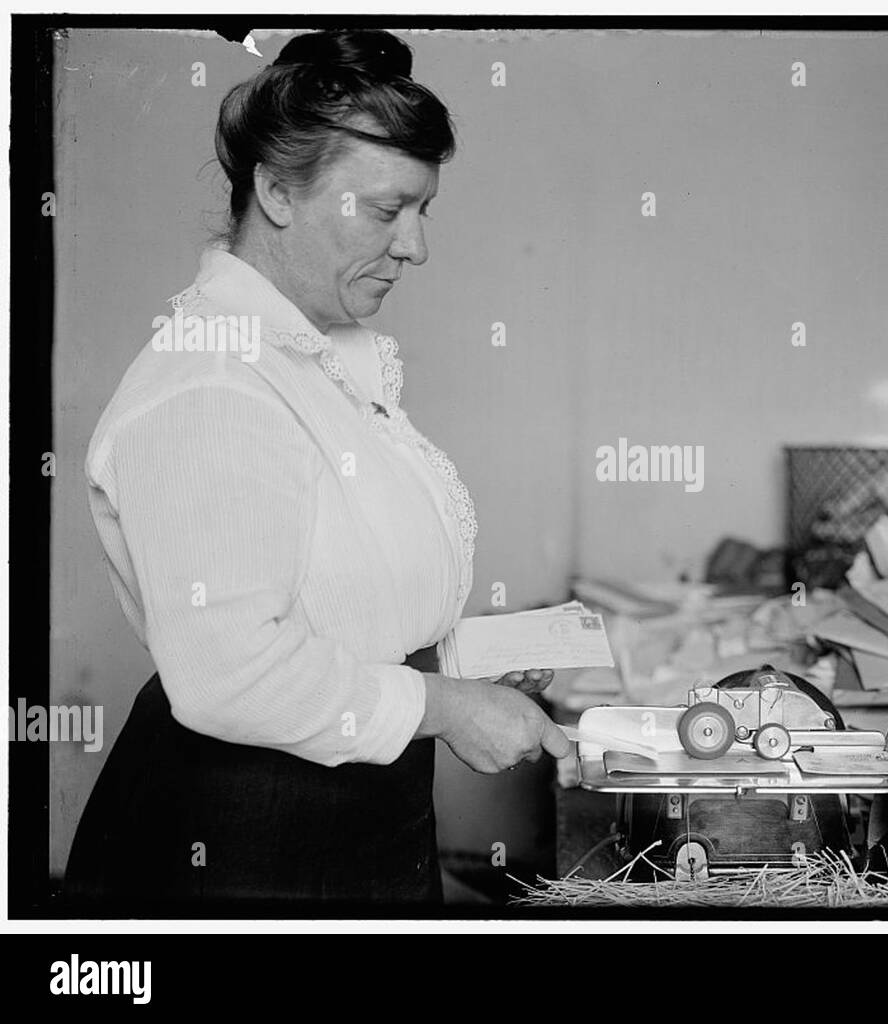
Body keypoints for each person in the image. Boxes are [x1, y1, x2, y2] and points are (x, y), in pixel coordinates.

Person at [64, 28, 569, 908]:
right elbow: (235, 673)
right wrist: (446, 708)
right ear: (275, 191)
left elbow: (334, 589)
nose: (416, 248)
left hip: (355, 813)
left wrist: (459, 664)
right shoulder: (212, 386)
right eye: (384, 212)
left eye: (424, 211)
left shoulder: (315, 361)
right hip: (246, 837)